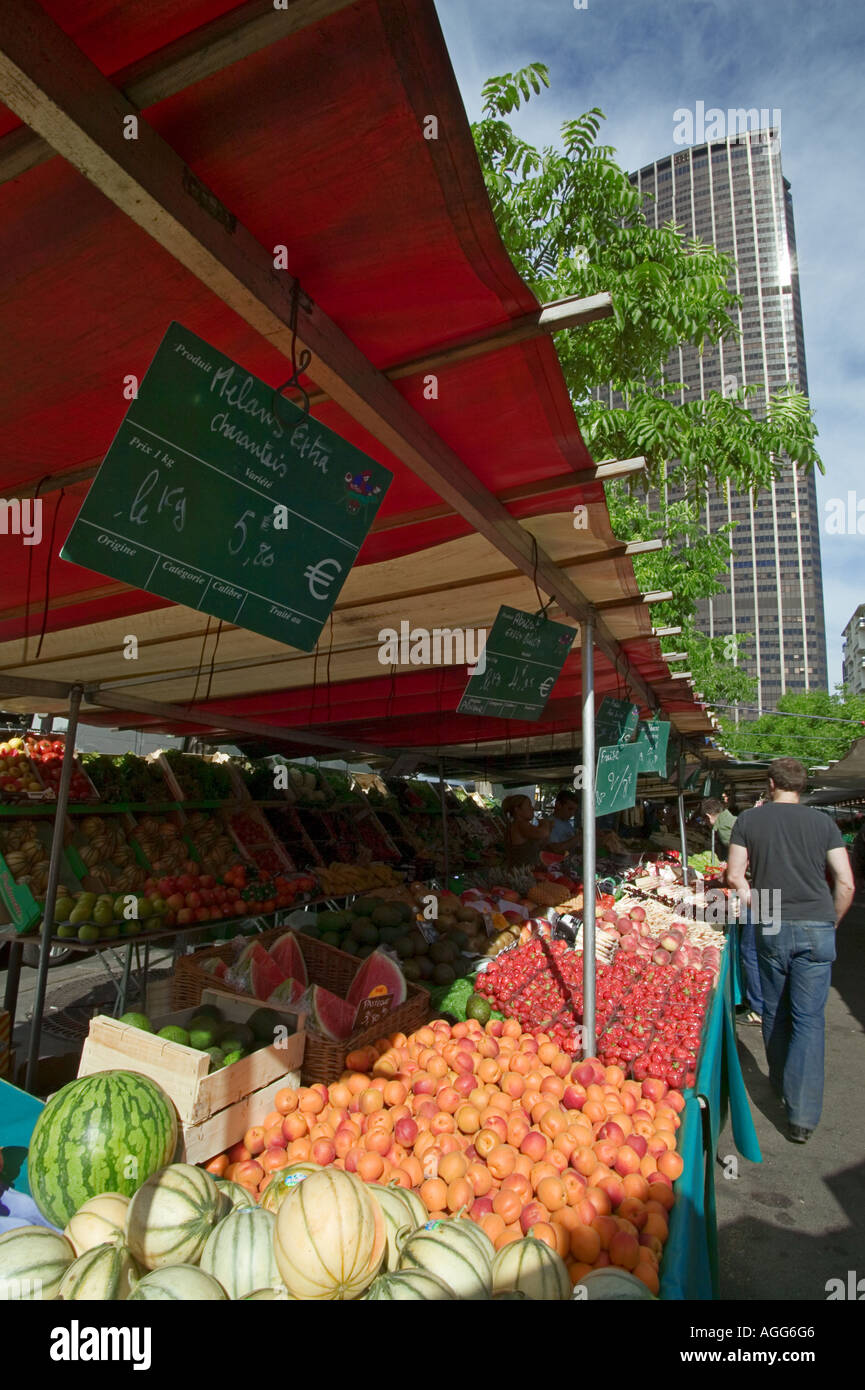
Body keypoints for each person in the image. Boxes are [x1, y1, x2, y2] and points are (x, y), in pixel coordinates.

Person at [725, 757, 855, 1144]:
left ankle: (782, 1085)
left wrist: (757, 906)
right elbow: (845, 882)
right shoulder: (823, 823)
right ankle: (802, 1117)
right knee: (809, 1020)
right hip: (817, 925)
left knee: (775, 1011)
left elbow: (734, 875)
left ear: (770, 783)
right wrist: (830, 920)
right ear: (802, 786)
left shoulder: (749, 820)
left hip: (773, 925)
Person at [502, 794, 551, 868]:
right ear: (517, 810)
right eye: (529, 805)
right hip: (522, 872)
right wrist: (545, 823)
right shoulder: (521, 824)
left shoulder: (516, 824)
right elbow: (543, 833)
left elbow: (539, 843)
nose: (532, 808)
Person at [545, 790, 582, 854]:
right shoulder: (548, 823)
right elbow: (554, 849)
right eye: (570, 809)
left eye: (574, 810)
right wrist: (579, 837)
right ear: (558, 805)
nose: (572, 813)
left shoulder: (567, 824)